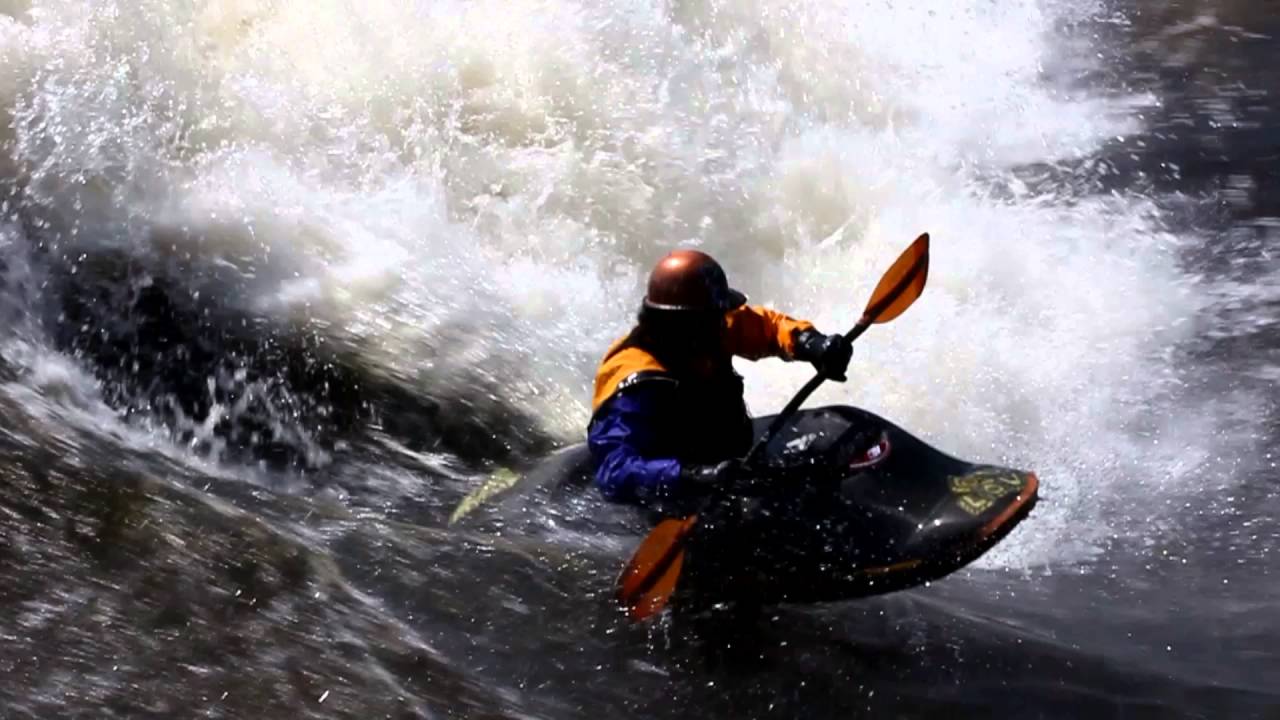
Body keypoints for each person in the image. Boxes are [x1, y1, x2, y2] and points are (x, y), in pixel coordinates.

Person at [587, 249, 853, 505]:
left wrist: (811, 343)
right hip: (675, 491)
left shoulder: (704, 331)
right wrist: (697, 476)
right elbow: (614, 469)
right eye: (715, 318)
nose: (725, 323)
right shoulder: (637, 383)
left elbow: (767, 326)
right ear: (687, 325)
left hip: (728, 464)